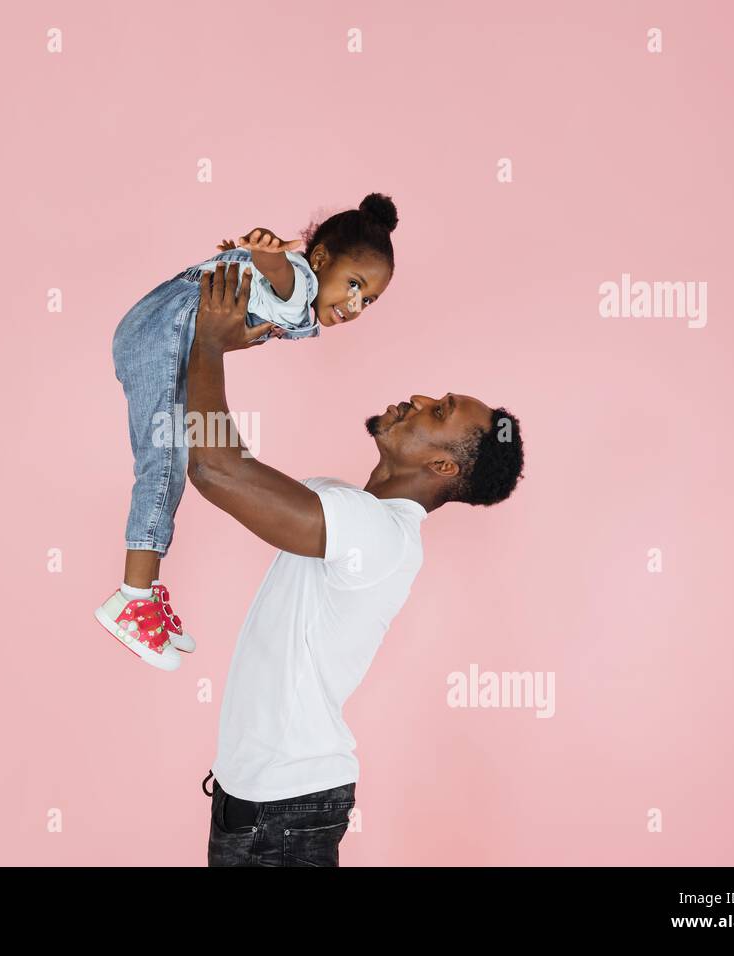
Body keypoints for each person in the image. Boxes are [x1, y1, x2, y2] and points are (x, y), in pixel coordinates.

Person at [187, 262, 526, 867]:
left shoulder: (381, 534)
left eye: (440, 411)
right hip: (258, 804)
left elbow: (217, 469)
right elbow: (223, 468)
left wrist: (208, 343)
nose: (420, 399)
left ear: (445, 468)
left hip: (284, 814)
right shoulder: (350, 512)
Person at [95, 195, 401, 671]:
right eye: (354, 284)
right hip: (161, 333)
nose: (357, 305)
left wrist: (250, 262)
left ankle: (145, 593)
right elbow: (283, 280)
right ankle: (132, 598)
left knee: (171, 457)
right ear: (320, 260)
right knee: (164, 461)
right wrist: (268, 254)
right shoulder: (299, 282)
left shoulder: (302, 296)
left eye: (370, 299)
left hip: (161, 332)